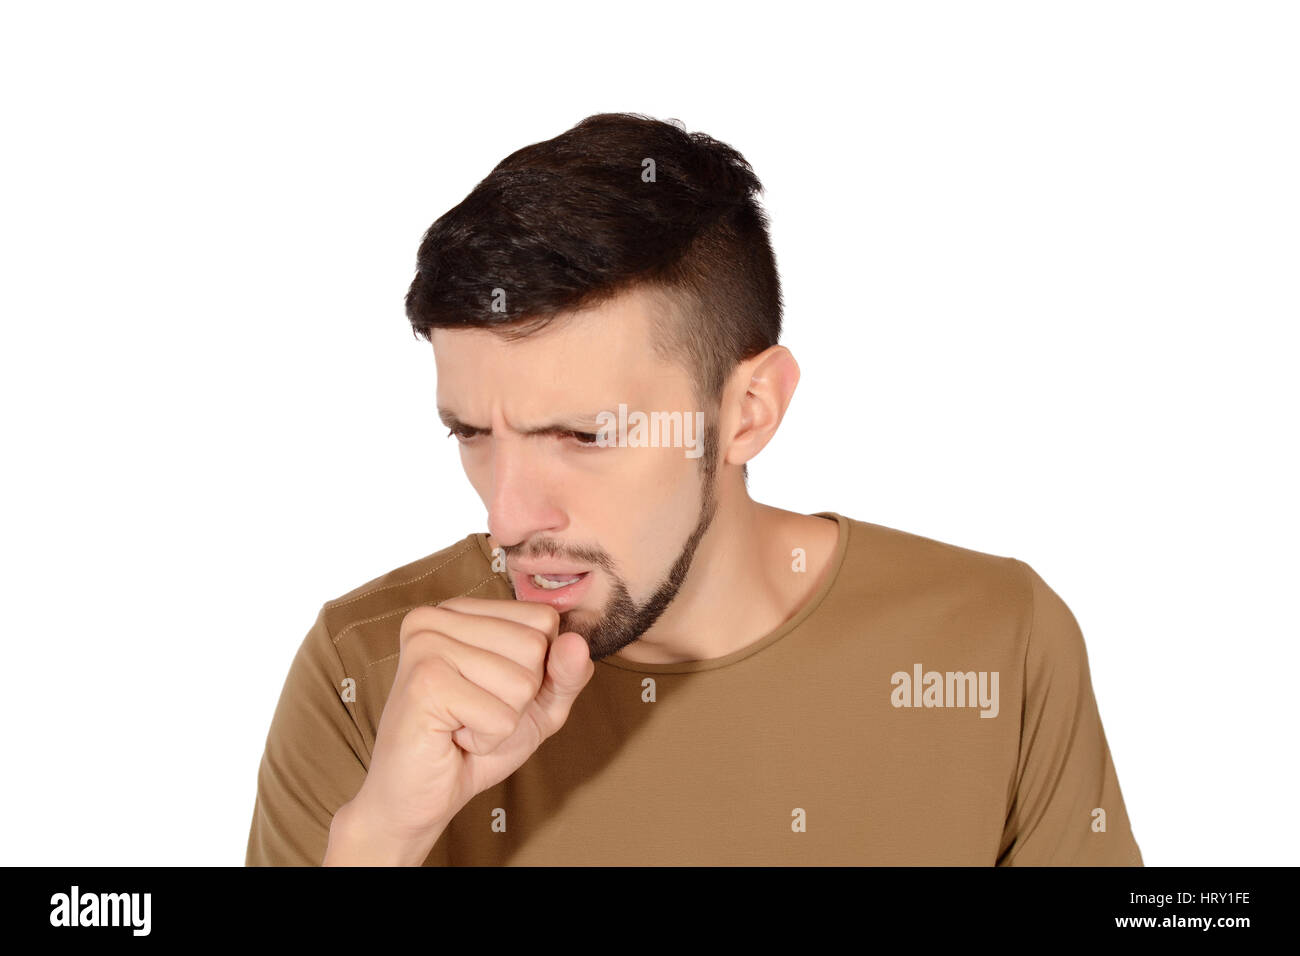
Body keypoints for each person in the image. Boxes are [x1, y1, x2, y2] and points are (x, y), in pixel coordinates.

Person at [244, 113, 1142, 866]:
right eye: (472, 434)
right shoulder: (368, 672)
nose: (507, 516)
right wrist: (381, 838)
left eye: (587, 435)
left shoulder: (995, 641)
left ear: (748, 411)